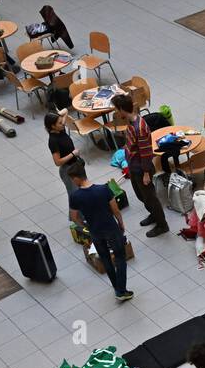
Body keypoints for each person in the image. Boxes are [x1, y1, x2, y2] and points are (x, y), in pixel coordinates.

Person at [67, 162, 132, 301]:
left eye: (72, 179)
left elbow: (74, 217)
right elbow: (115, 210)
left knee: (106, 259)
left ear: (77, 178)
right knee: (120, 258)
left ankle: (116, 288)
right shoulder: (104, 189)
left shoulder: (75, 196)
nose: (73, 182)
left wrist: (84, 225)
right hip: (111, 228)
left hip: (95, 231)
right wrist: (120, 223)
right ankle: (121, 291)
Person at [113, 93, 168, 237]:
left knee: (150, 197)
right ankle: (153, 215)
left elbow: (145, 153)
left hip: (142, 169)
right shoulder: (131, 122)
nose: (116, 112)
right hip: (133, 165)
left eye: (117, 109)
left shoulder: (140, 128)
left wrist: (145, 173)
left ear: (122, 109)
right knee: (141, 195)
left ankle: (162, 225)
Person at [45, 111, 82, 200]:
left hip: (75, 165)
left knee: (81, 192)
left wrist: (58, 114)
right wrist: (73, 154)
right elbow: (57, 162)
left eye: (62, 122)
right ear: (53, 126)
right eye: (60, 123)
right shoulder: (53, 140)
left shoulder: (60, 129)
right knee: (75, 197)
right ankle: (76, 214)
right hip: (68, 170)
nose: (63, 124)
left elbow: (65, 111)